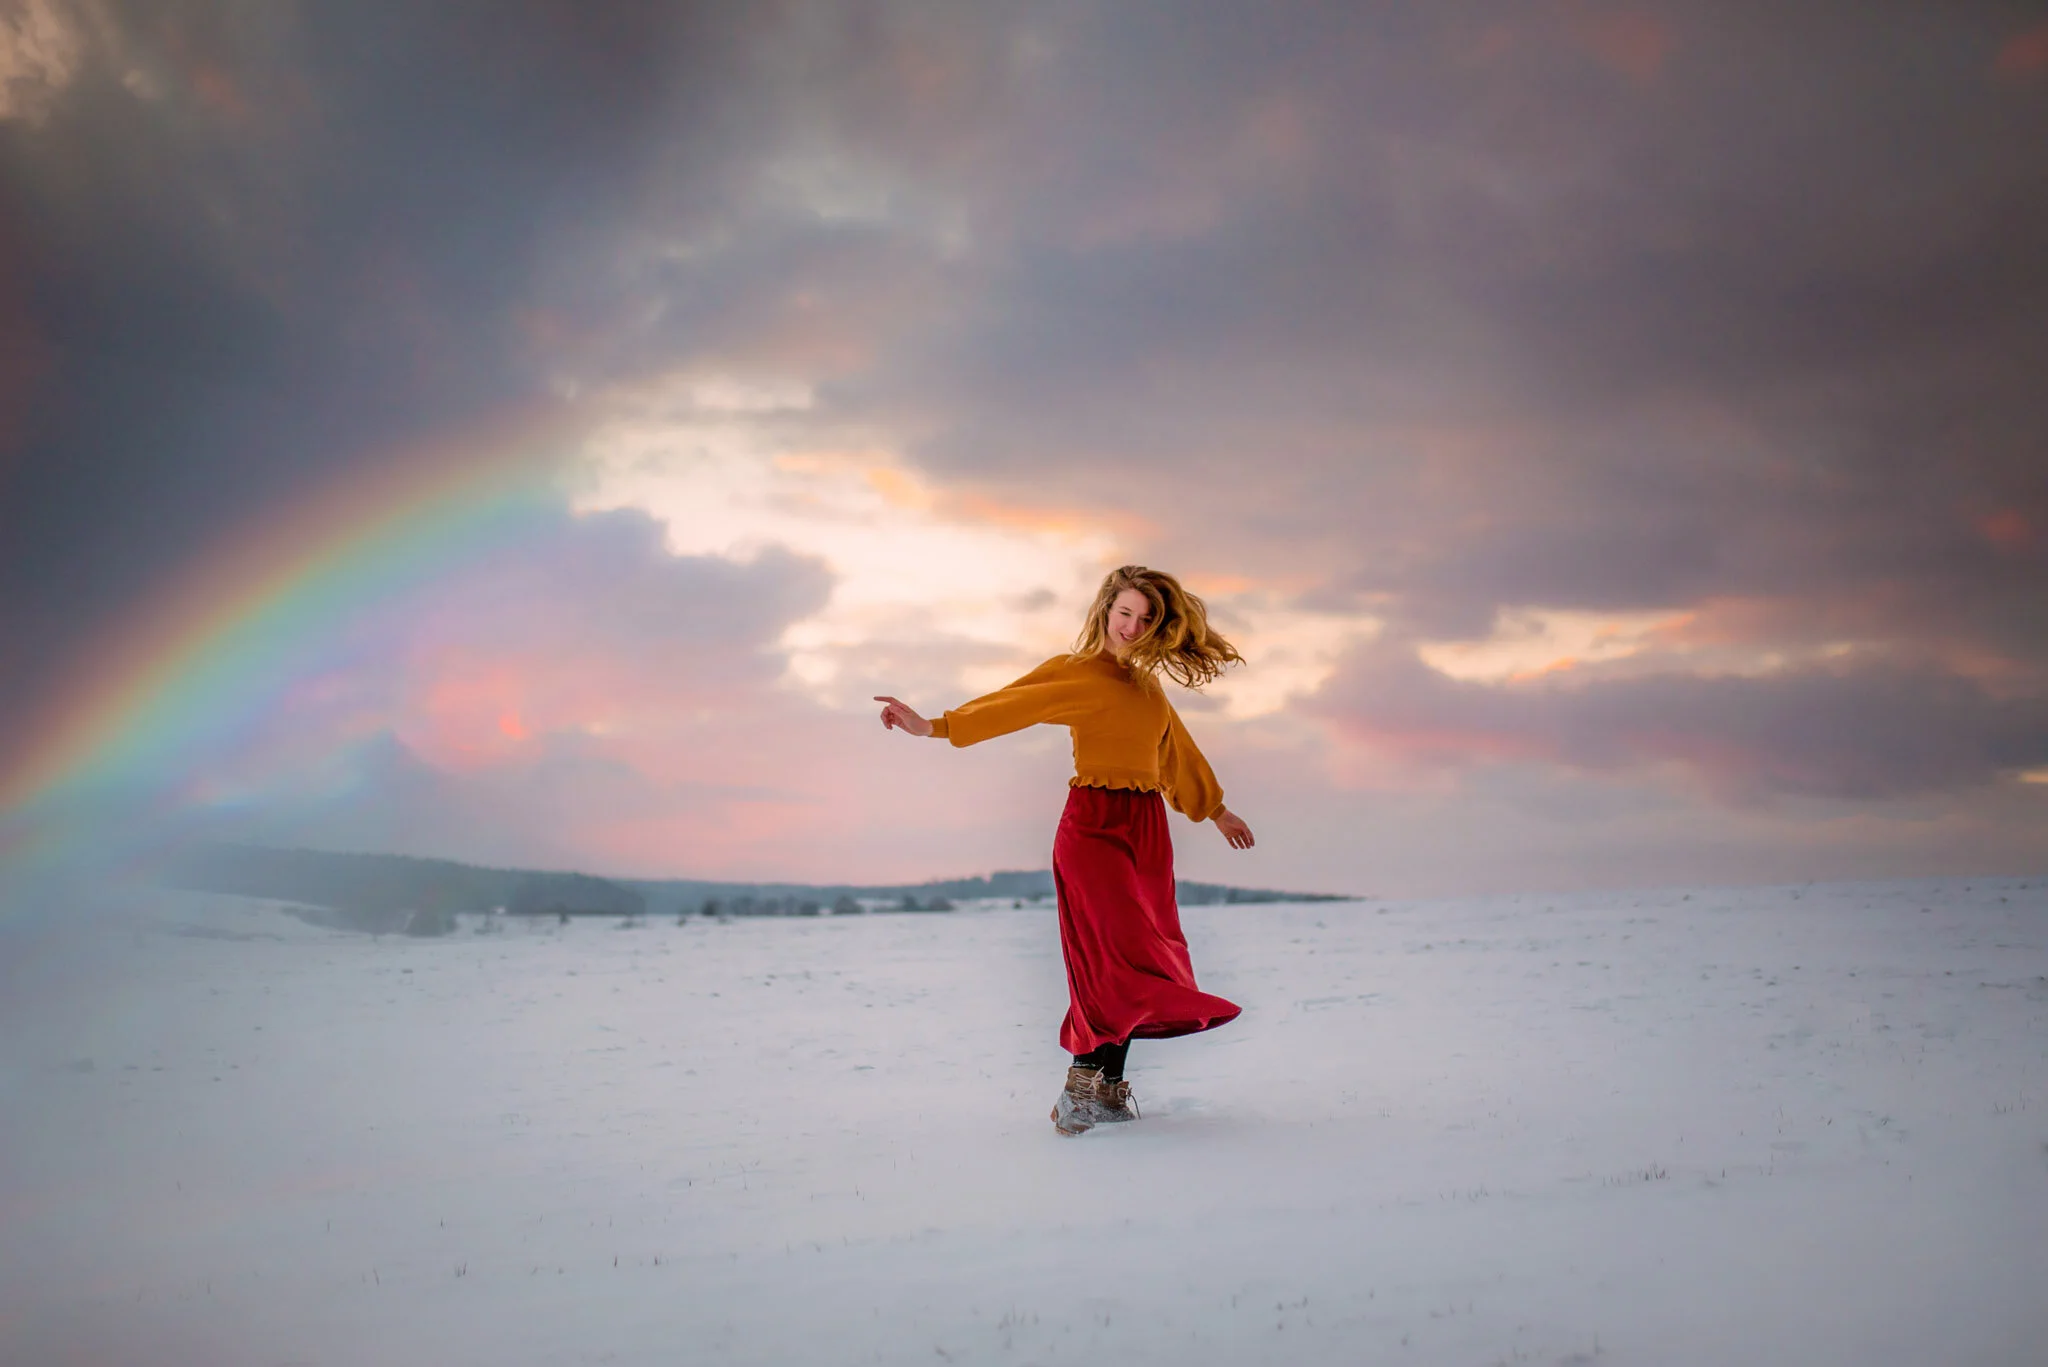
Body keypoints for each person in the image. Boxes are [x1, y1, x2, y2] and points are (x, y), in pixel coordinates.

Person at [875, 565, 1255, 1136]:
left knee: (1146, 955)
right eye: (1124, 612)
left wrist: (1216, 809)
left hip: (1146, 828)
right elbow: (1012, 704)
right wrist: (934, 726)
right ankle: (1082, 1083)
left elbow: (1177, 755)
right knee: (1108, 955)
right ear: (1105, 610)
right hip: (1093, 826)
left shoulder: (1148, 689)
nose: (1132, 626)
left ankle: (1107, 1087)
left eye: (1145, 618)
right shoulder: (1075, 672)